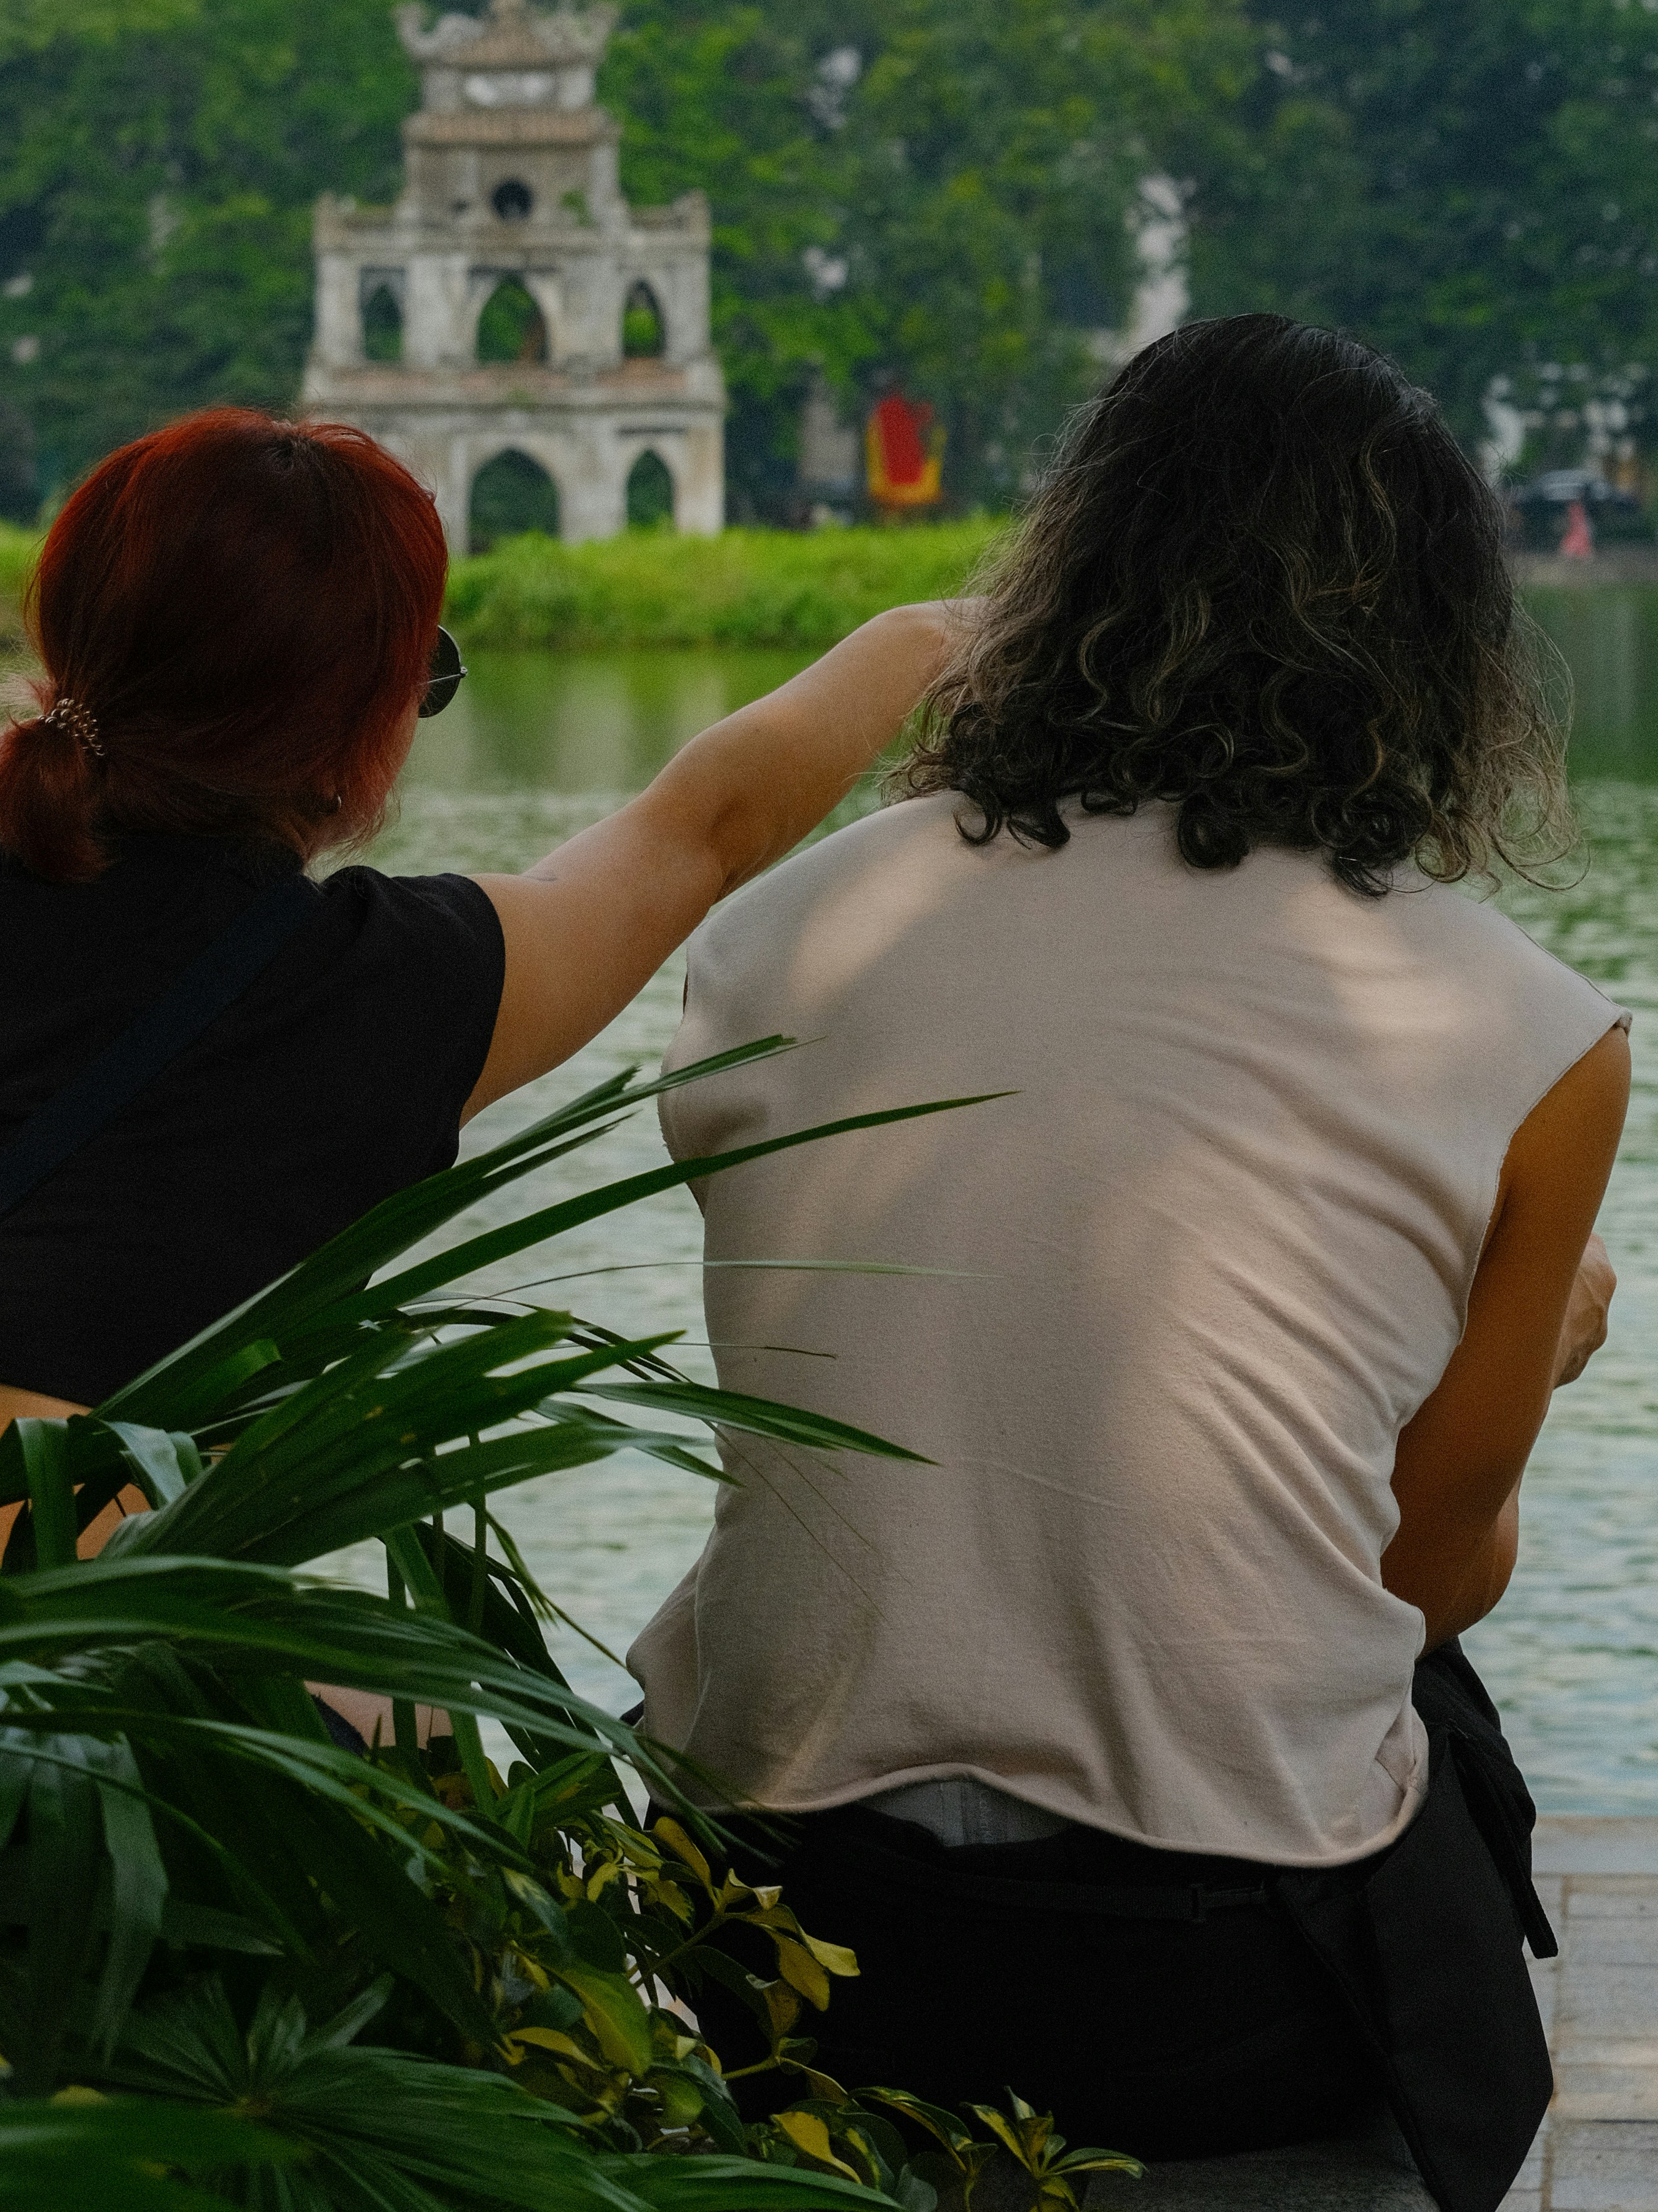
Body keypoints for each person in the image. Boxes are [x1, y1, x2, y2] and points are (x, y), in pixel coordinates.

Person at [627, 316, 1624, 2212]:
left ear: (1063, 572)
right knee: (1441, 1731)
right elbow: (1421, 1582)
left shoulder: (773, 942)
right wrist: (1511, 1353)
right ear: (1433, 648)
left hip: (798, 1938)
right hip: (1215, 1984)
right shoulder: (1528, 1033)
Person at [0, 406, 957, 1481]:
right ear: (350, 734)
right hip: (110, 1737)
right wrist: (933, 636)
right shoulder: (383, 992)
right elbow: (701, 829)